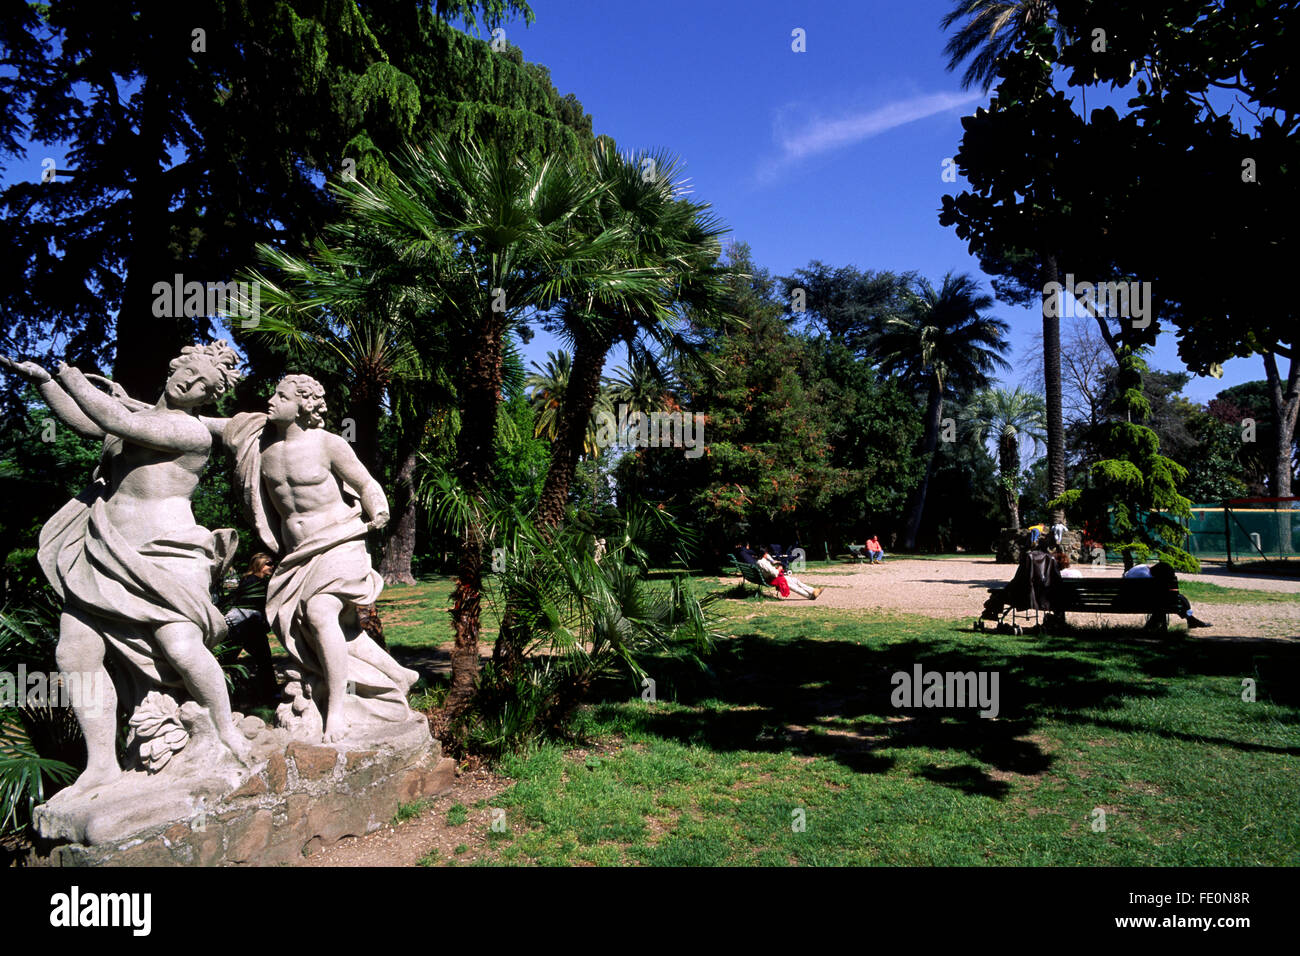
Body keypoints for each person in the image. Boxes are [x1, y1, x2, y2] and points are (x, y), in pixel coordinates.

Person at [1, 344, 253, 796]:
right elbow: (89, 422)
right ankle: (101, 765)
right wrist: (44, 381)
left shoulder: (189, 431)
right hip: (107, 550)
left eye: (204, 387)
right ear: (176, 366)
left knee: (181, 645)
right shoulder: (142, 417)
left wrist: (72, 377)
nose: (191, 384)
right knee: (75, 652)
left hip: (167, 553)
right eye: (189, 371)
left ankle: (225, 729)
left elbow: (117, 421)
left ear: (208, 399)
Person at [223, 374, 419, 742]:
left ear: (303, 405)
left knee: (320, 611)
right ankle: (398, 674)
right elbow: (218, 427)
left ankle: (338, 711)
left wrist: (378, 508)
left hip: (340, 540)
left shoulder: (329, 443)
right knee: (330, 631)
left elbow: (365, 483)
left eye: (281, 396)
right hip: (298, 554)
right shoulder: (261, 448)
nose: (271, 401)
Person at [218, 552, 278, 701]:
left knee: (227, 661)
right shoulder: (257, 583)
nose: (272, 566)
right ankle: (270, 694)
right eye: (268, 563)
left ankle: (226, 694)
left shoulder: (247, 580)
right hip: (247, 626)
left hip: (239, 625)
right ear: (259, 565)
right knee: (264, 661)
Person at [1123, 561, 1211, 629]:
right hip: (1143, 602)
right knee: (1172, 600)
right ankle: (1191, 619)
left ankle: (1191, 620)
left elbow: (1125, 575)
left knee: (1172, 599)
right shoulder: (1149, 579)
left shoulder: (1141, 567)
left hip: (1127, 599)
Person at [755, 548, 822, 600]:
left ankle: (813, 591)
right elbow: (774, 573)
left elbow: (771, 565)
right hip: (772, 579)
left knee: (795, 580)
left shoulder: (761, 561)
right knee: (790, 584)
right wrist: (779, 568)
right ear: (764, 554)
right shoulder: (762, 563)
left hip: (772, 577)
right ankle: (810, 596)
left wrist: (773, 562)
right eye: (766, 553)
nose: (767, 554)